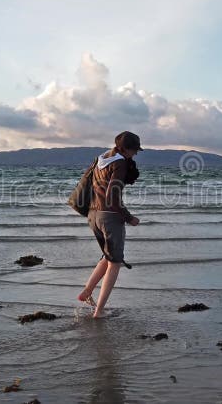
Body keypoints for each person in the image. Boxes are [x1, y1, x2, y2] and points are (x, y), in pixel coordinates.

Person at [77, 131, 142, 318]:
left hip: (93, 215)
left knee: (108, 256)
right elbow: (112, 196)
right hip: (110, 217)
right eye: (134, 150)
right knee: (115, 263)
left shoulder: (101, 158)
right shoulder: (120, 163)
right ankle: (99, 311)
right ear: (126, 149)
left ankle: (87, 291)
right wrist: (129, 217)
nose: (135, 154)